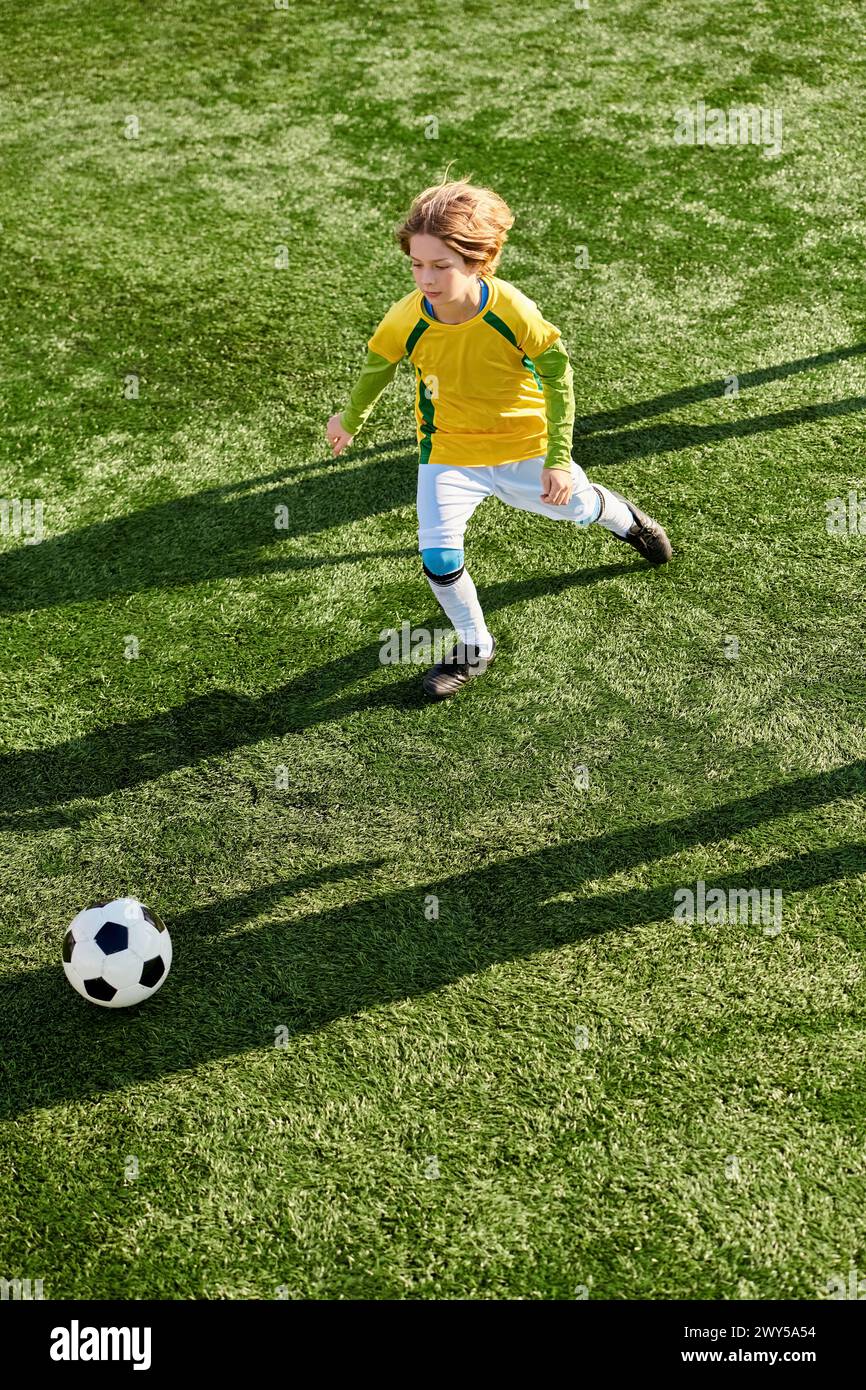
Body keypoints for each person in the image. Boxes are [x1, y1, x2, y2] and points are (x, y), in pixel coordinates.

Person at [327, 174, 672, 700]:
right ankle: (474, 646)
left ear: (478, 259)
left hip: (525, 447)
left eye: (440, 266)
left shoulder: (512, 311)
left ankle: (624, 519)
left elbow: (558, 375)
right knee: (438, 556)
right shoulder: (406, 318)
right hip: (448, 452)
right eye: (417, 264)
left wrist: (558, 459)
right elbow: (379, 365)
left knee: (577, 509)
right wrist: (350, 419)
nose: (426, 278)